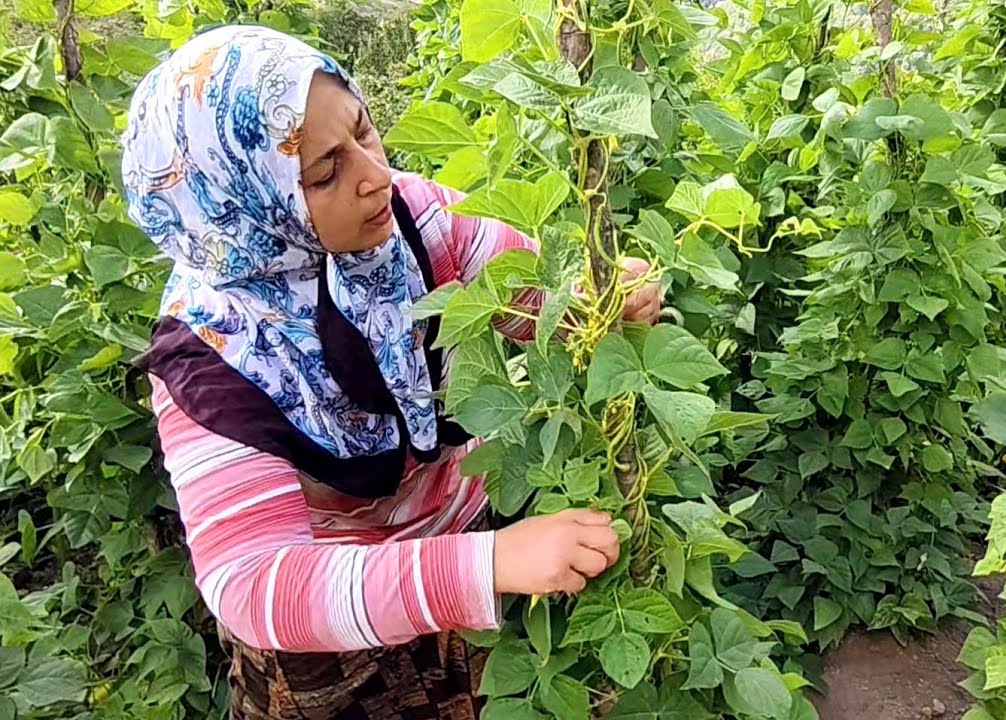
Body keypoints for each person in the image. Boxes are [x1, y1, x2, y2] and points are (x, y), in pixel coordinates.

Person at [121, 24, 661, 720]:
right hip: (332, 620)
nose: (374, 174)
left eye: (363, 131)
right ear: (249, 205)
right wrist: (487, 564)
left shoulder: (404, 214)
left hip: (465, 536)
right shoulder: (215, 358)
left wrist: (605, 299)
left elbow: (531, 297)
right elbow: (255, 583)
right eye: (322, 173)